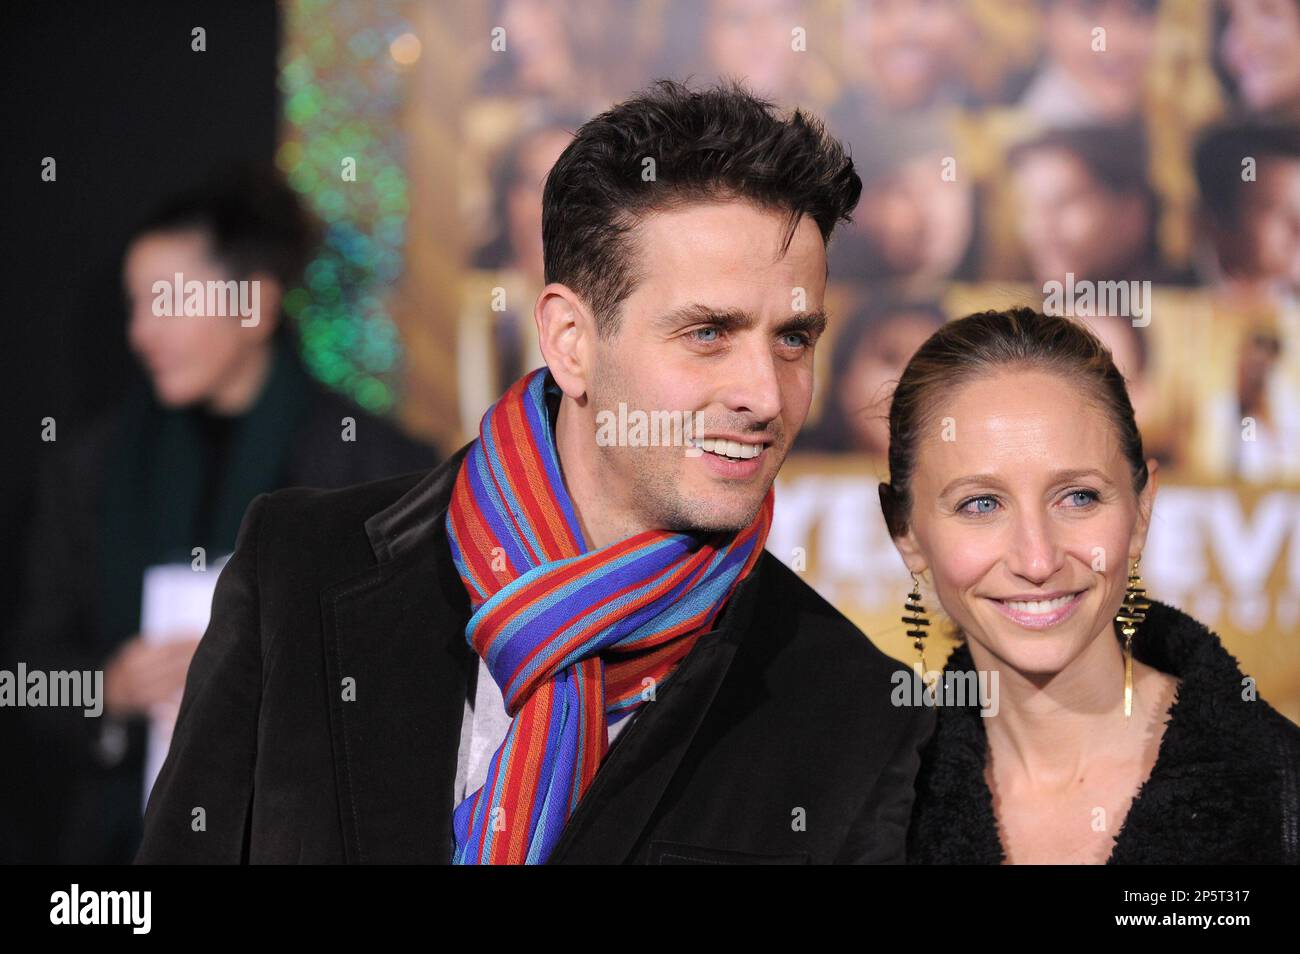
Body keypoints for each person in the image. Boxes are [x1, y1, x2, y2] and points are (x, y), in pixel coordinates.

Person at [135, 80, 935, 865]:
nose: (766, 394)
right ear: (570, 341)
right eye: (708, 333)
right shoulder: (300, 570)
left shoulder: (857, 712)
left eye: (794, 339)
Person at [8, 164, 440, 864]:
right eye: (134, 307)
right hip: (116, 852)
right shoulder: (88, 468)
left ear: (256, 306)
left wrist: (269, 678)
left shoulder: (377, 467)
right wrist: (109, 689)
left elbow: (418, 684)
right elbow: (29, 667)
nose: (142, 334)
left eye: (166, 302)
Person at [879, 307, 1300, 863]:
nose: (1038, 559)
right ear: (905, 532)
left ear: (1141, 511)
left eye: (1078, 497)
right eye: (980, 504)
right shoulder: (868, 811)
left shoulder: (1281, 788)